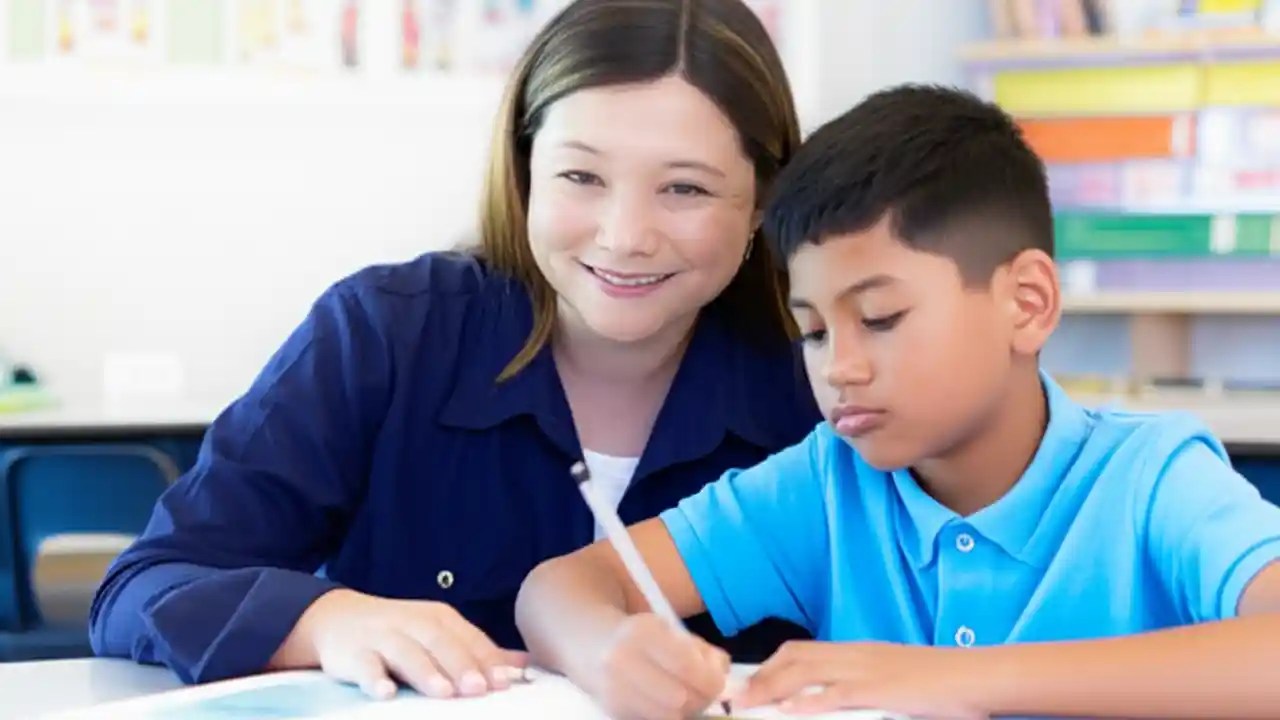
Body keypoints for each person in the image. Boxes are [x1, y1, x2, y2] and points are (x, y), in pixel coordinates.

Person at [90, 0, 821, 700]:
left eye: (685, 189)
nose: (625, 235)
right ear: (525, 167)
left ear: (762, 200)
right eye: (581, 176)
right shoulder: (387, 335)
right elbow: (145, 586)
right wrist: (325, 619)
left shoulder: (823, 384)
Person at [514, 84, 1280, 720]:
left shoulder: (1152, 478)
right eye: (813, 333)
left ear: (1027, 301)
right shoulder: (826, 487)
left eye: (880, 319)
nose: (840, 367)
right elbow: (562, 587)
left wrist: (944, 677)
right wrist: (607, 650)